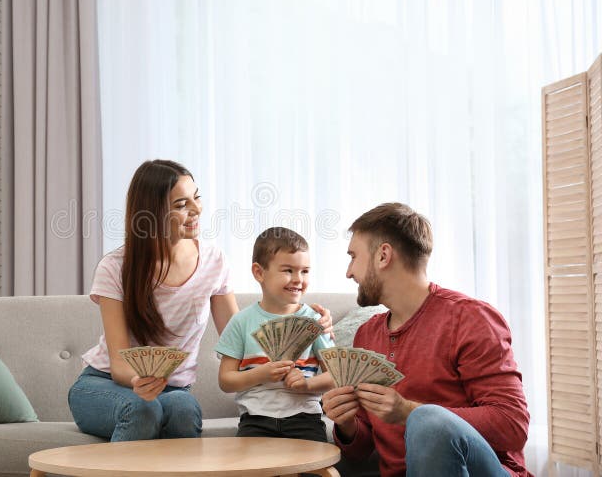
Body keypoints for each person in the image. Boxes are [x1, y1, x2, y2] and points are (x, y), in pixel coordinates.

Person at [68, 160, 332, 442]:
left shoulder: (212, 260)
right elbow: (120, 364)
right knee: (142, 408)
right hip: (105, 383)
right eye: (181, 204)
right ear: (152, 213)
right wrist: (138, 383)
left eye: (197, 197)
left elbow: (245, 336)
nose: (197, 210)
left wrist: (307, 324)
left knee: (184, 410)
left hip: (172, 389)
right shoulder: (115, 267)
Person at [321, 202, 532, 476]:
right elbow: (361, 451)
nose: (349, 272)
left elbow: (512, 426)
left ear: (383, 256)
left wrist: (408, 411)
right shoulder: (367, 334)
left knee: (427, 419)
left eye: (353, 256)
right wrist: (347, 423)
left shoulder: (470, 319)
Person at [216, 227, 335, 442]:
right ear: (259, 272)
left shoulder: (316, 321)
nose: (298, 279)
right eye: (288, 270)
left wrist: (307, 384)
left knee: (314, 471)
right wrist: (260, 374)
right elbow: (225, 380)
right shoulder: (241, 321)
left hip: (305, 417)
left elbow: (335, 376)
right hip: (256, 420)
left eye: (305, 271)